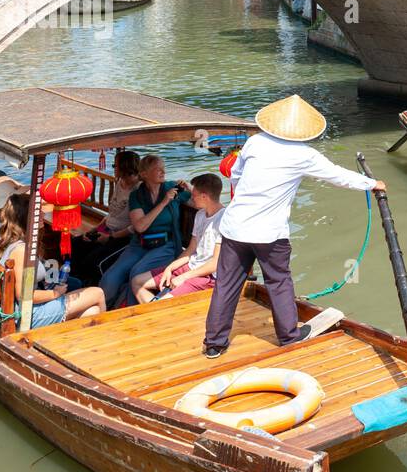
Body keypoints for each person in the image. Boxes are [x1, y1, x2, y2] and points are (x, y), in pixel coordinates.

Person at [202, 95, 385, 358]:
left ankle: (214, 344)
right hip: (269, 233)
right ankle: (288, 336)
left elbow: (237, 174)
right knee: (279, 281)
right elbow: (338, 176)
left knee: (227, 285)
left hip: (235, 227)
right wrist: (372, 183)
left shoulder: (254, 142)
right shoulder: (304, 154)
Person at [0, 194, 106, 328]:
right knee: (97, 293)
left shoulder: (19, 243)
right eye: (38, 211)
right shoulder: (21, 251)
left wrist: (50, 275)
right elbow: (23, 295)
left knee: (92, 311)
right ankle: (106, 335)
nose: (43, 213)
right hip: (28, 315)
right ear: (26, 217)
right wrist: (55, 294)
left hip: (27, 309)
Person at [98, 154, 191, 306]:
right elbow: (140, 226)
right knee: (111, 277)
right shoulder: (137, 195)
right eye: (157, 169)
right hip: (139, 244)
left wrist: (188, 187)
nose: (163, 172)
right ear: (144, 174)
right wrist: (164, 202)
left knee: (137, 273)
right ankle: (100, 311)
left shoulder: (172, 188)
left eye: (163, 169)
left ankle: (127, 312)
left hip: (165, 246)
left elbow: (198, 199)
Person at [133, 173, 224, 303]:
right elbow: (190, 249)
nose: (191, 197)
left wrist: (184, 277)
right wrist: (170, 268)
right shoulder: (200, 215)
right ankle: (155, 309)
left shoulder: (224, 220)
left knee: (162, 303)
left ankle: (156, 310)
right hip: (191, 266)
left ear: (204, 197)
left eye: (194, 195)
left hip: (206, 276)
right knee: (137, 282)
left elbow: (214, 264)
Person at [70, 150, 141, 285]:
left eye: (115, 166)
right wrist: (94, 229)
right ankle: (74, 281)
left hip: (122, 237)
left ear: (125, 168)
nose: (114, 169)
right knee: (76, 243)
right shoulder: (120, 183)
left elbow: (134, 226)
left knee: (92, 259)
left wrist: (110, 237)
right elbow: (112, 214)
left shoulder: (138, 190)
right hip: (107, 229)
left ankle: (87, 285)